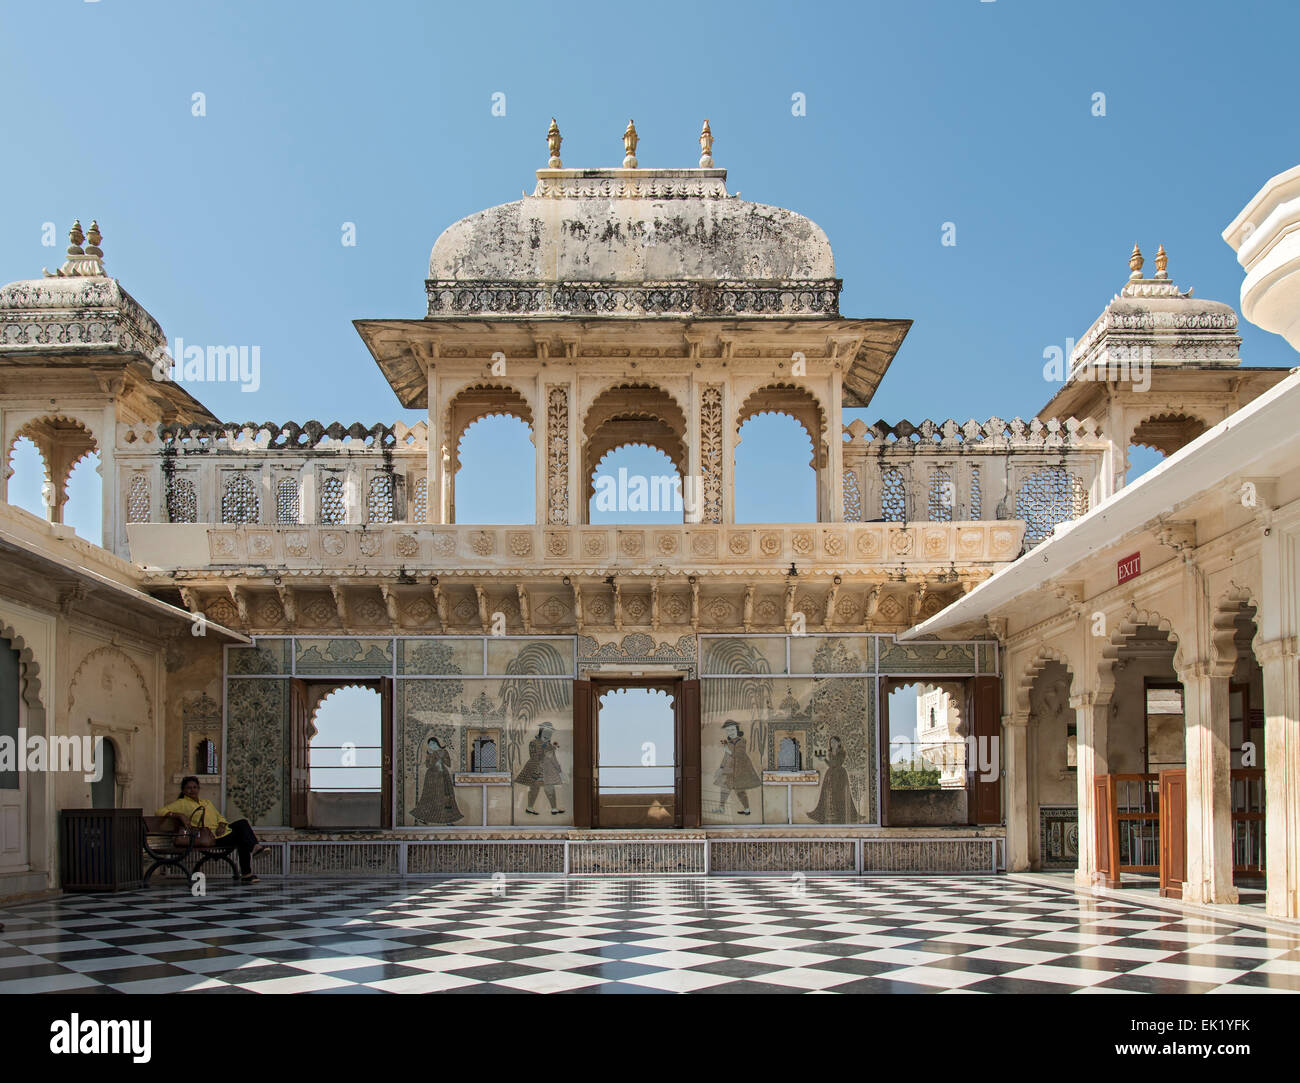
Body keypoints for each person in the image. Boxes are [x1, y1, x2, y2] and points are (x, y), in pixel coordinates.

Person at [156, 776, 266, 883]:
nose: (192, 790)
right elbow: (159, 812)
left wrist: (221, 825)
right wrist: (179, 815)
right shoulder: (181, 803)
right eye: (189, 788)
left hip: (222, 832)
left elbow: (219, 816)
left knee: (242, 825)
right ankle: (250, 862)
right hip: (210, 837)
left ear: (198, 789)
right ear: (183, 790)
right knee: (242, 836)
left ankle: (253, 853)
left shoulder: (206, 802)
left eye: (195, 787)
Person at [514, 722, 565, 815]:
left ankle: (554, 808)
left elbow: (553, 759)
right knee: (534, 788)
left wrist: (559, 771)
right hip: (535, 768)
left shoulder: (550, 745)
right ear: (541, 731)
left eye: (550, 733)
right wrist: (544, 749)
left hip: (548, 770)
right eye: (546, 732)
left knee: (550, 788)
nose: (548, 734)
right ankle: (529, 808)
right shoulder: (533, 743)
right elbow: (534, 756)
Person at [410, 736, 463, 824]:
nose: (432, 746)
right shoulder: (429, 753)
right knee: (430, 797)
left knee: (445, 797)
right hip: (431, 777)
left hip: (443, 776)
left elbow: (448, 764)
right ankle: (425, 818)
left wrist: (440, 756)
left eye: (434, 743)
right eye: (430, 745)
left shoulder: (444, 752)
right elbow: (428, 765)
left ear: (437, 743)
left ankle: (448, 820)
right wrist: (431, 756)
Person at [807, 735, 859, 824]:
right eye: (831, 742)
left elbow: (836, 764)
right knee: (829, 794)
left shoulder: (842, 753)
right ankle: (830, 815)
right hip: (831, 774)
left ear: (839, 743)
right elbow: (831, 764)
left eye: (834, 742)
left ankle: (840, 816)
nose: (832, 744)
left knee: (840, 794)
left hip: (840, 775)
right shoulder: (830, 753)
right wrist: (824, 759)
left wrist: (825, 760)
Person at [714, 720, 761, 816]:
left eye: (732, 730)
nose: (730, 732)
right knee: (725, 788)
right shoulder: (729, 743)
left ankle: (747, 809)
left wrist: (728, 750)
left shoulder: (741, 741)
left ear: (737, 730)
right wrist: (721, 768)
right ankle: (721, 808)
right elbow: (726, 756)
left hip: (740, 769)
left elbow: (740, 754)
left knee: (740, 790)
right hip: (730, 769)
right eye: (728, 730)